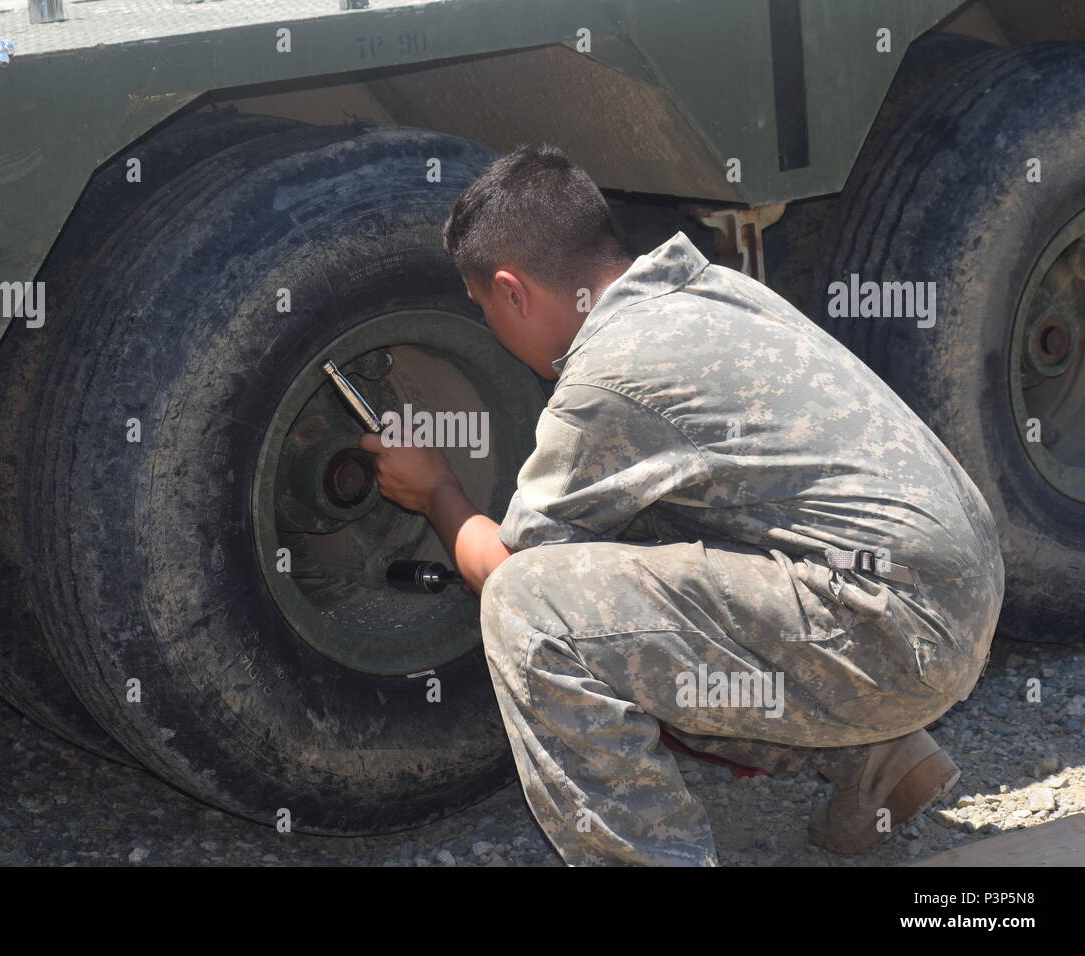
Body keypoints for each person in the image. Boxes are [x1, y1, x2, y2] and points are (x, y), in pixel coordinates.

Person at [359, 144, 1005, 866]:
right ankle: (879, 758)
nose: (496, 333)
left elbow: (510, 566)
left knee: (534, 607)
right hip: (948, 592)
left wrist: (436, 490)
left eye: (487, 311)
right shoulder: (709, 288)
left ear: (512, 291)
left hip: (897, 626)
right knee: (636, 555)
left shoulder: (607, 380)